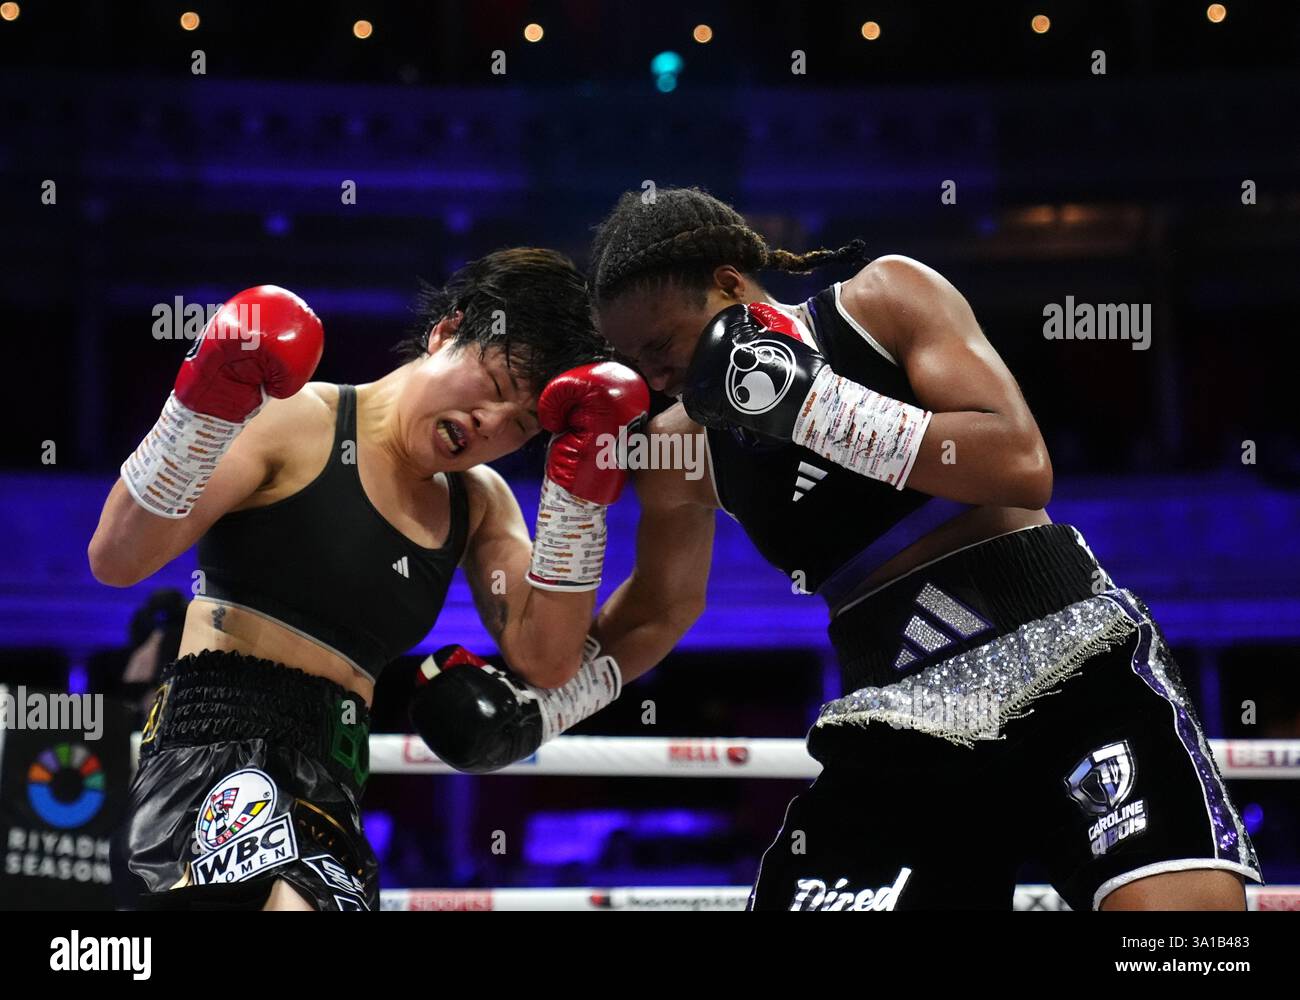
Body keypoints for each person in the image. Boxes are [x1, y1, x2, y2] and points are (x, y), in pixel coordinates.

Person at [583, 187, 1261, 911]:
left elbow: (1019, 465)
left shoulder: (881, 302)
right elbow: (656, 610)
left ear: (727, 284)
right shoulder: (678, 445)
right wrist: (540, 699)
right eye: (634, 362)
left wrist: (813, 407)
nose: (655, 378)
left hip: (1070, 658)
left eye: (662, 347)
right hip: (895, 714)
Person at [89, 248, 647, 910]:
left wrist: (577, 498)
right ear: (448, 331)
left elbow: (549, 659)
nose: (491, 426)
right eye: (495, 388)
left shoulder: (478, 503)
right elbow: (117, 558)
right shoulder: (297, 419)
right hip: (213, 751)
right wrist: (201, 406)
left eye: (522, 426)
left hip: (335, 783)